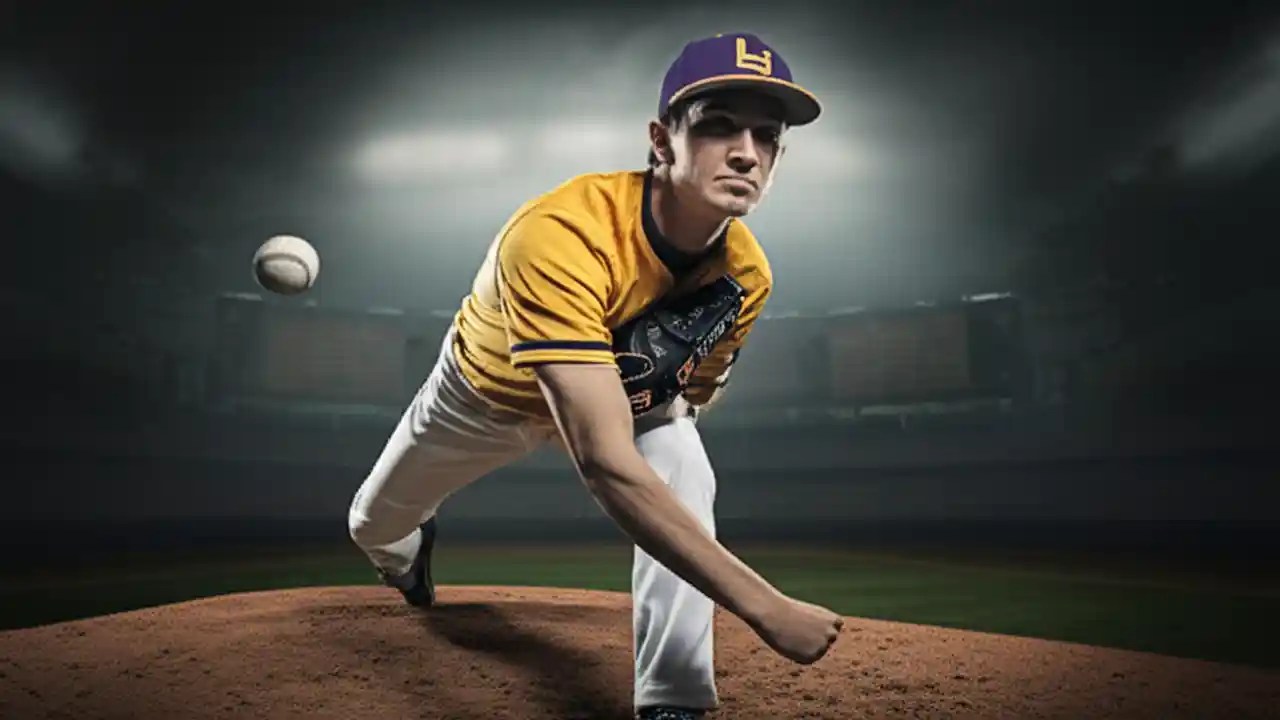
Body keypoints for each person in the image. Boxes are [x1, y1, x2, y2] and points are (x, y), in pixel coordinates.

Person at [347, 31, 843, 720]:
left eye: (768, 137)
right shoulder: (561, 233)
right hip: (483, 397)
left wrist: (661, 401)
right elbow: (604, 464)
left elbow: (693, 399)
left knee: (684, 467)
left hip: (621, 405)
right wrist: (766, 607)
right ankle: (404, 552)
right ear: (662, 140)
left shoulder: (747, 277)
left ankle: (674, 698)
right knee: (371, 522)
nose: (746, 152)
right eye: (718, 126)